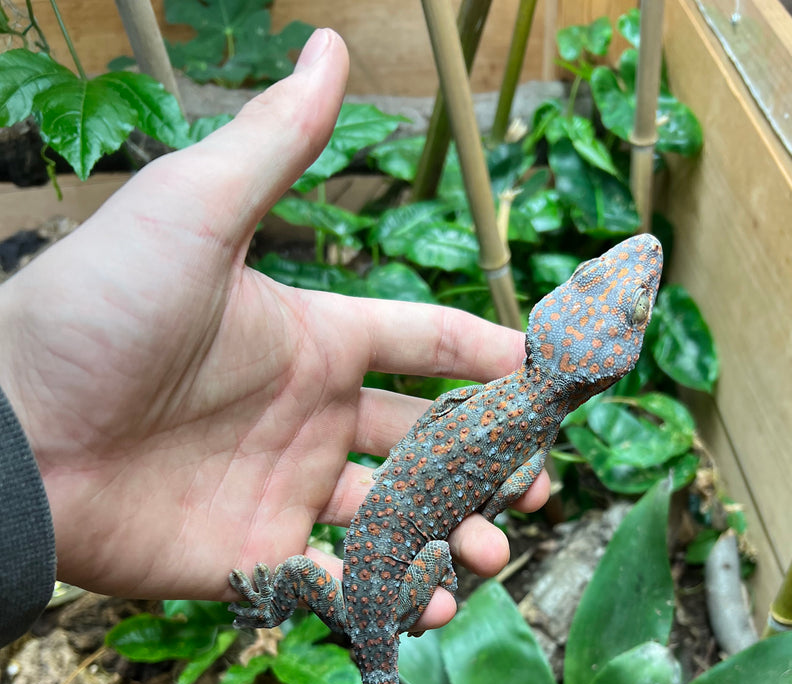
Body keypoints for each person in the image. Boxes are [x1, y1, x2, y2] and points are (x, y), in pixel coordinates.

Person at [0, 27, 548, 647]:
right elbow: (492, 476)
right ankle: (311, 619)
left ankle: (304, 616)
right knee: (367, 572)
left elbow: (462, 436)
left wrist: (27, 427)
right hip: (370, 583)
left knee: (334, 576)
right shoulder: (523, 437)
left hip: (371, 581)